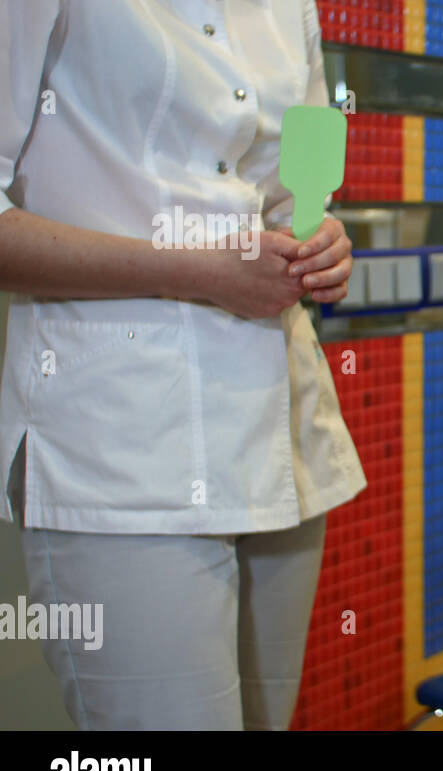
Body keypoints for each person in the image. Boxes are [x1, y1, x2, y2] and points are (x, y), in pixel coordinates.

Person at [0, 0, 366, 729]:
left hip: (280, 430)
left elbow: (299, 194)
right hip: (121, 445)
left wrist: (324, 239)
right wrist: (199, 270)